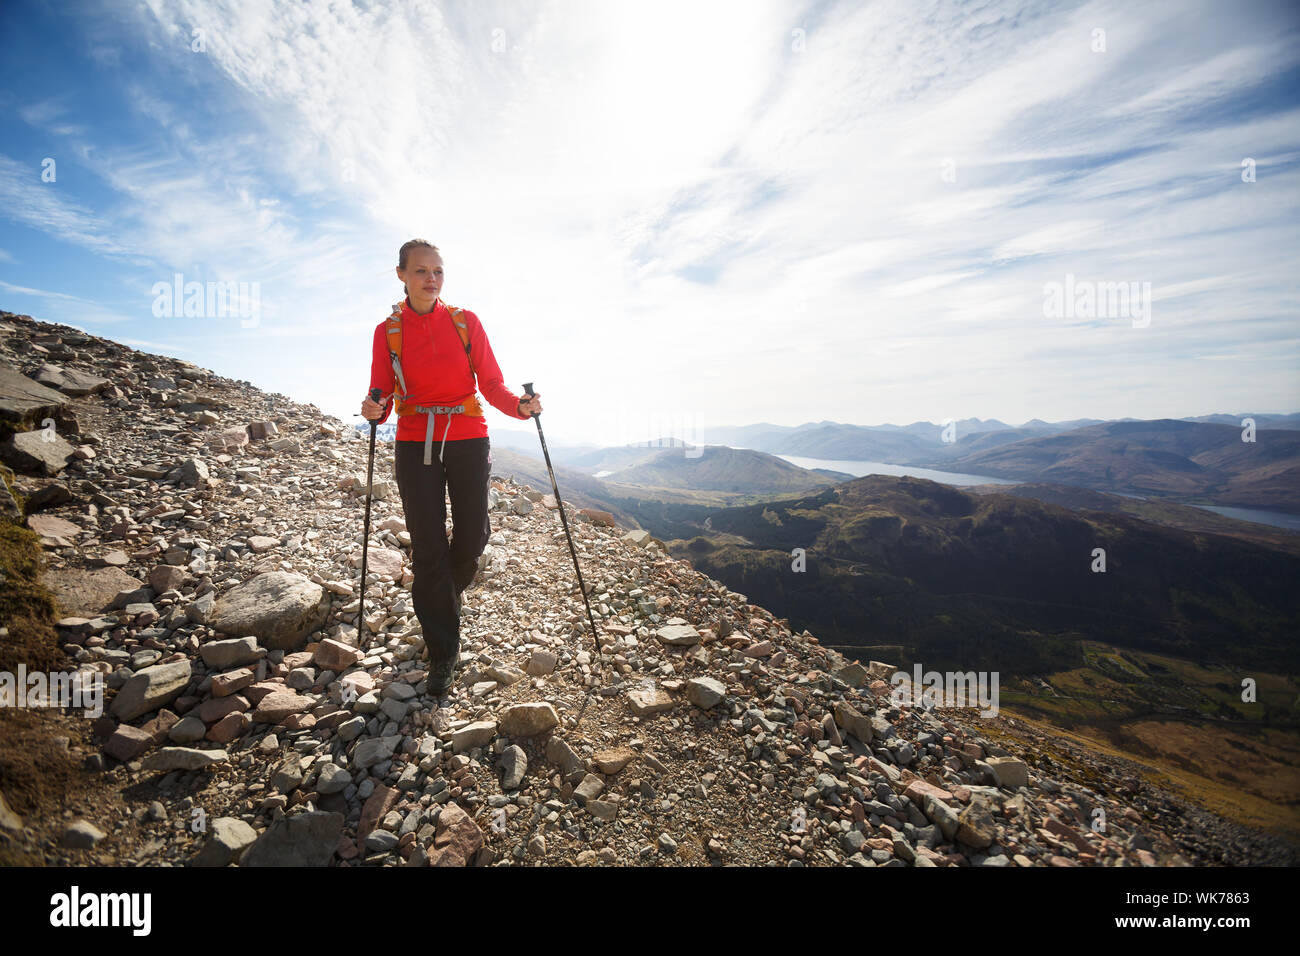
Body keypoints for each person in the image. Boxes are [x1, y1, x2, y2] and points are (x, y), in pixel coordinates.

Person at [361, 239, 542, 697]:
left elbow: (493, 384)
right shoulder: (388, 331)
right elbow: (381, 394)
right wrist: (374, 410)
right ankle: (443, 649)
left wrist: (520, 407)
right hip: (413, 440)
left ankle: (444, 595)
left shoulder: (466, 322)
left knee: (472, 536)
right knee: (427, 547)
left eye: (438, 271)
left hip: (466, 436)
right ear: (401, 274)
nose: (431, 279)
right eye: (421, 271)